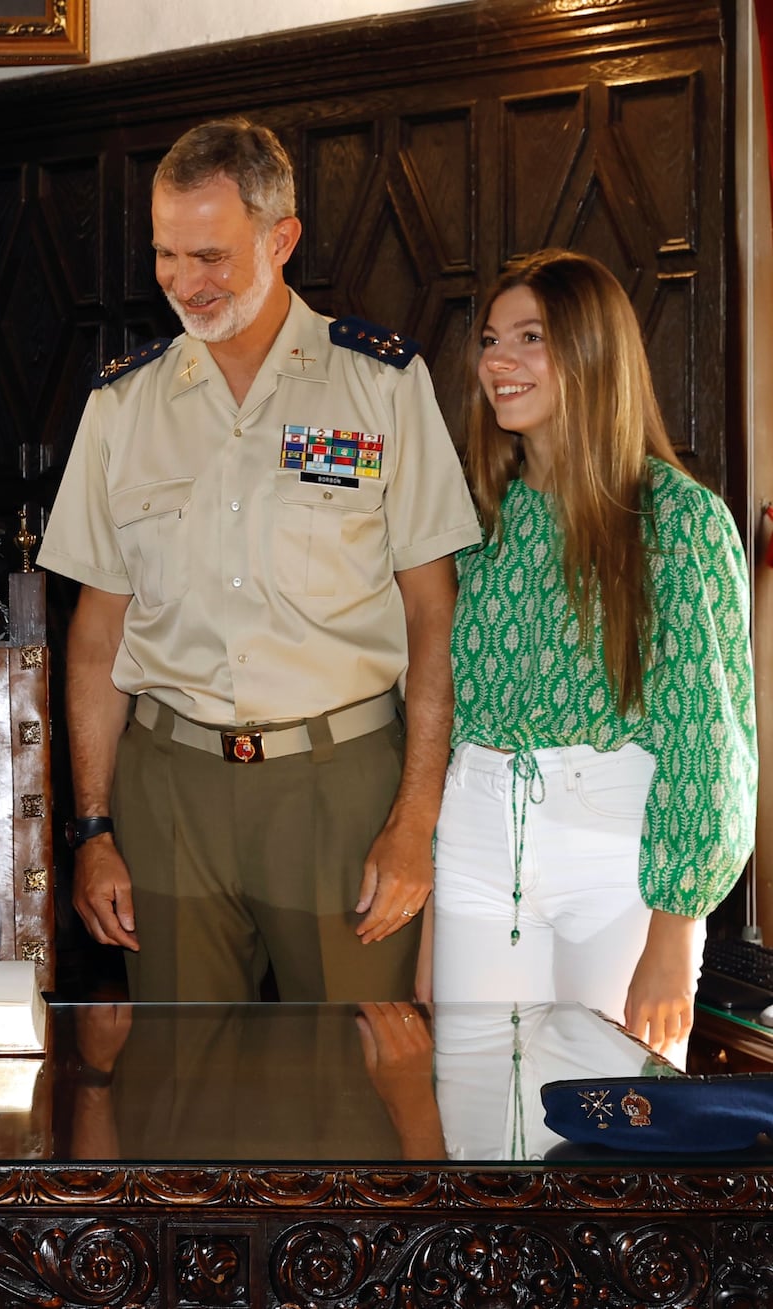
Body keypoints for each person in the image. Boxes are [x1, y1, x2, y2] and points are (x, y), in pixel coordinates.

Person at [39, 116, 481, 1002]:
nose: (183, 283)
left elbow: (437, 615)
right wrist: (92, 828)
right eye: (167, 254)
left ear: (282, 239)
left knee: (358, 1089)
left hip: (342, 788)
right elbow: (96, 637)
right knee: (176, 1090)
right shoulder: (121, 406)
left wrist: (415, 819)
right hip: (170, 793)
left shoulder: (380, 383)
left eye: (210, 256)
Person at [432, 248, 755, 1059]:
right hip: (475, 830)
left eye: (530, 337)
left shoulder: (678, 522)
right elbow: (436, 714)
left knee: (611, 1125)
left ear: (592, 351)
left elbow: (711, 740)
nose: (497, 362)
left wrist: (677, 932)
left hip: (615, 851)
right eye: (490, 340)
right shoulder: (472, 524)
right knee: (474, 1126)